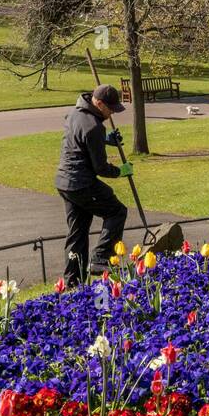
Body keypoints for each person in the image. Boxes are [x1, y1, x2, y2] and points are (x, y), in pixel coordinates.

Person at [55, 84, 133, 287]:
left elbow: (80, 137)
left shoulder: (74, 113)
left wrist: (105, 140)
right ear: (98, 103)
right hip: (81, 183)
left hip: (64, 182)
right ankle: (100, 258)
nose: (111, 113)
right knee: (116, 212)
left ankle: (73, 282)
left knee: (78, 231)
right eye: (110, 109)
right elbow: (101, 168)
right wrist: (121, 171)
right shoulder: (95, 127)